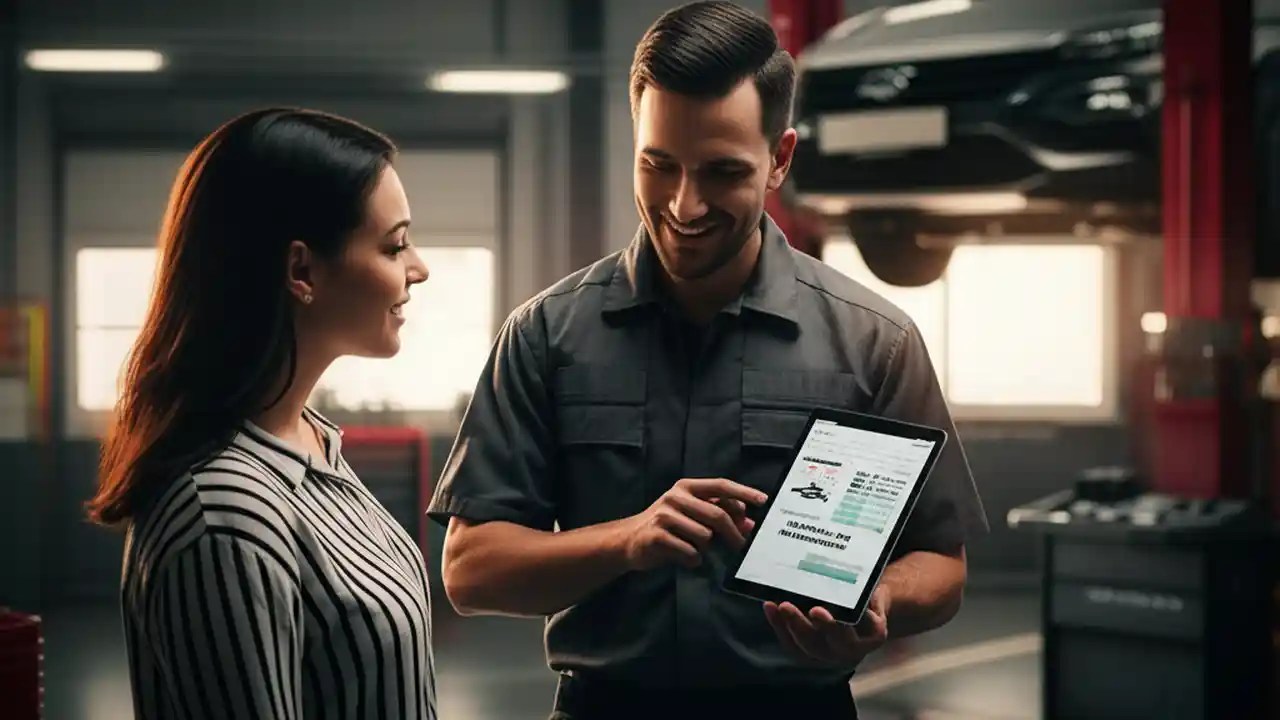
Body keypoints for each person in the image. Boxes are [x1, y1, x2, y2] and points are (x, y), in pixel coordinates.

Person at [430, 2, 987, 717]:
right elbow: (472, 571)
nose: (684, 205)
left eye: (722, 172)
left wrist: (877, 598)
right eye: (658, 165)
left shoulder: (876, 341)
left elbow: (941, 564)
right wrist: (627, 540)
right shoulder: (545, 335)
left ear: (780, 159)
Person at [87, 108, 436, 719]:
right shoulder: (223, 514)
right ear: (301, 270)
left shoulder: (311, 450)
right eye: (394, 244)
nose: (418, 268)